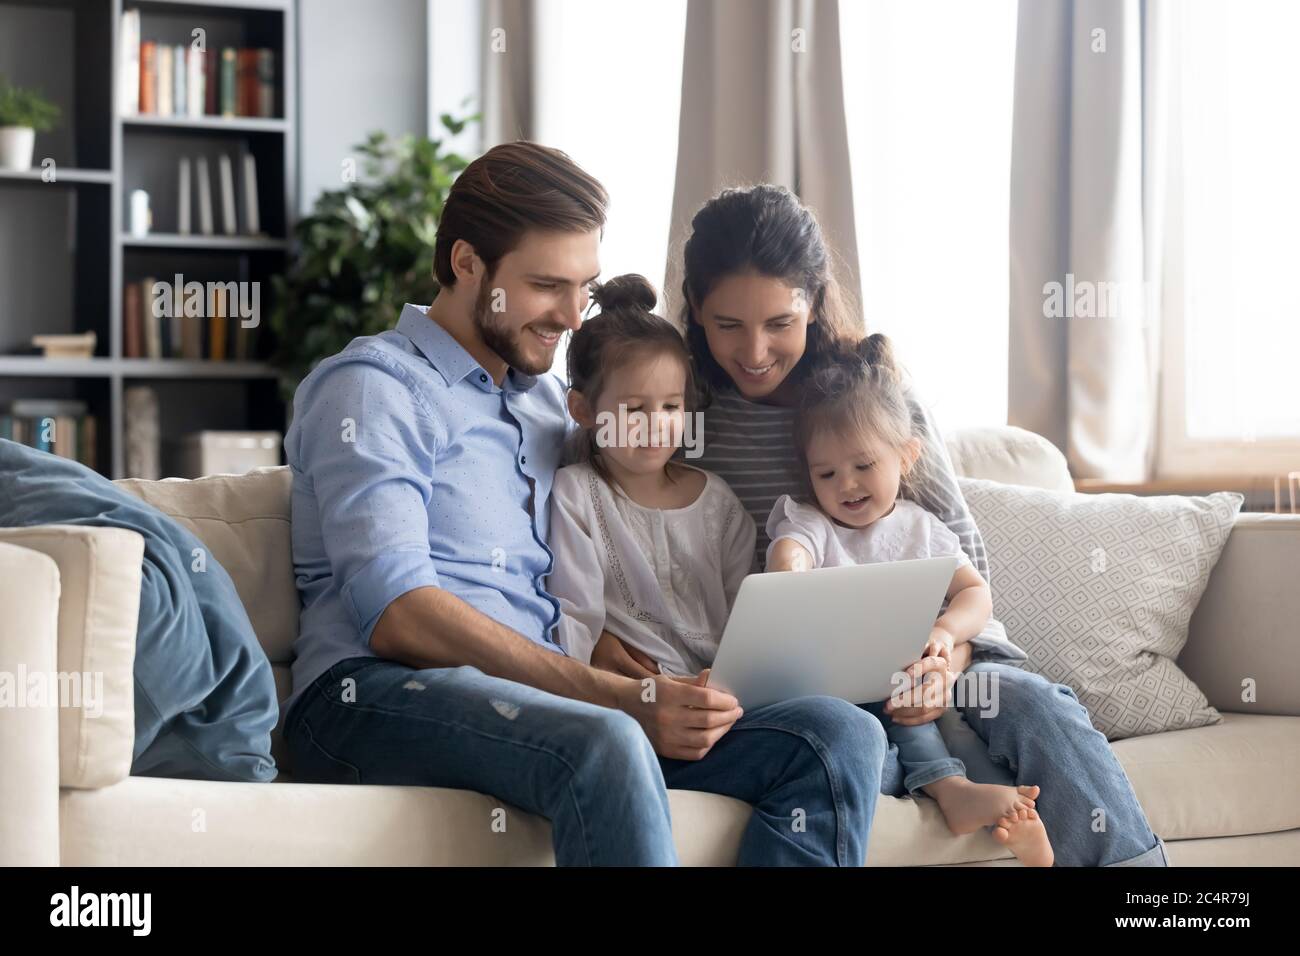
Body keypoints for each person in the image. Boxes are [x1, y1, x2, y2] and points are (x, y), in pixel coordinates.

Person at [281, 143, 883, 866]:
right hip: (370, 700)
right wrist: (616, 698)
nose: (572, 316)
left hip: (547, 711)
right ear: (468, 263)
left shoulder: (547, 407)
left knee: (837, 735)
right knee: (607, 738)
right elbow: (397, 612)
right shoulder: (375, 388)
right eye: (546, 285)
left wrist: (653, 680)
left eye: (582, 285)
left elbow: (613, 517)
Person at [592, 183, 1169, 866]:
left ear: (813, 300)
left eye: (780, 322)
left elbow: (964, 571)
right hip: (796, 681)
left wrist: (941, 664)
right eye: (727, 325)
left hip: (939, 655)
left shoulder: (875, 398)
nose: (753, 350)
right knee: (850, 736)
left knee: (1037, 709)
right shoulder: (679, 417)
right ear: (694, 311)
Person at [765, 332, 1052, 866]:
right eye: (825, 473)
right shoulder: (809, 522)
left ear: (907, 456)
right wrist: (790, 570)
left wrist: (945, 633)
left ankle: (1011, 816)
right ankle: (953, 794)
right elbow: (791, 553)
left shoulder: (923, 529)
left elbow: (974, 592)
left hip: (915, 680)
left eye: (863, 466)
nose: (845, 484)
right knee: (898, 719)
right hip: (839, 692)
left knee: (957, 729)